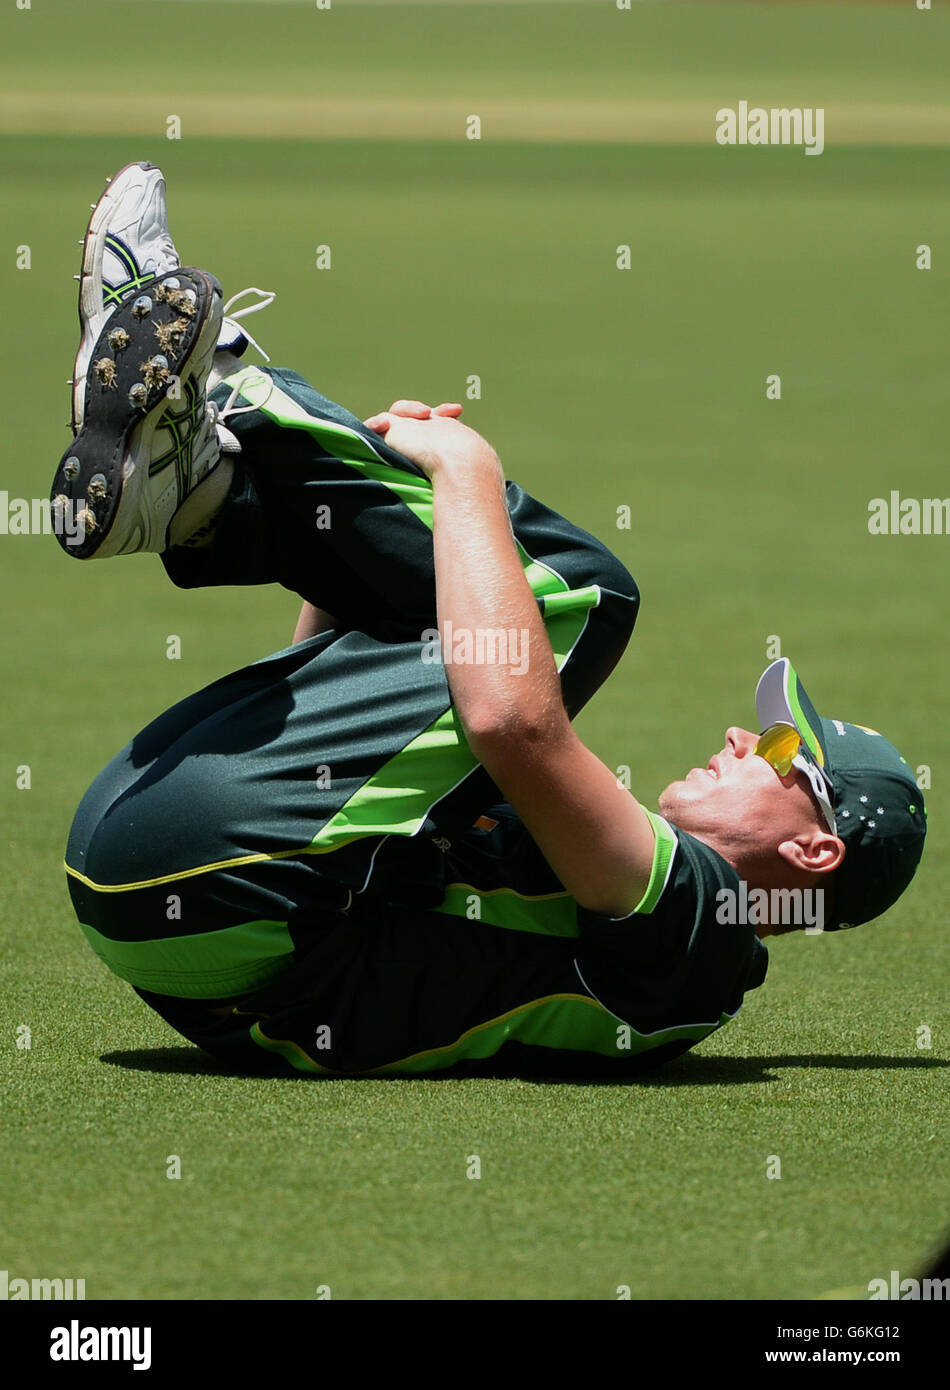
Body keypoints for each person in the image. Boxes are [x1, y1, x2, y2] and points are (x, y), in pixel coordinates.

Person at [51, 164, 926, 1078]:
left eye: (789, 754)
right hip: (164, 886)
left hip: (231, 895)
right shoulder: (614, 874)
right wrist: (379, 534)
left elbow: (515, 724)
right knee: (468, 600)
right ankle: (200, 482)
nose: (749, 737)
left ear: (815, 849)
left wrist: (463, 473)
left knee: (582, 598)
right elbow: (329, 696)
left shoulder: (704, 934)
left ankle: (218, 429)